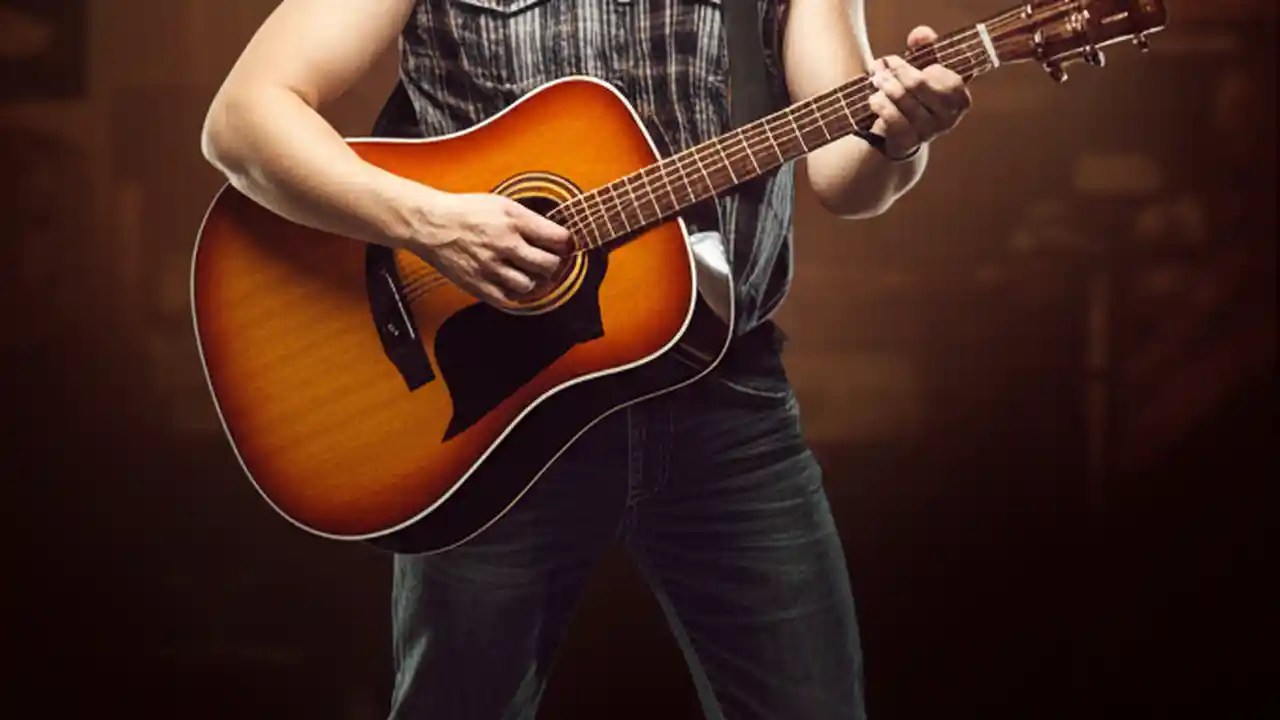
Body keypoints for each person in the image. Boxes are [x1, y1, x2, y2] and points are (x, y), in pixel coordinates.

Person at [201, 0, 972, 717]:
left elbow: (847, 178)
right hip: (492, 409)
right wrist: (431, 225)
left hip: (723, 401)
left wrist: (898, 138)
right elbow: (242, 120)